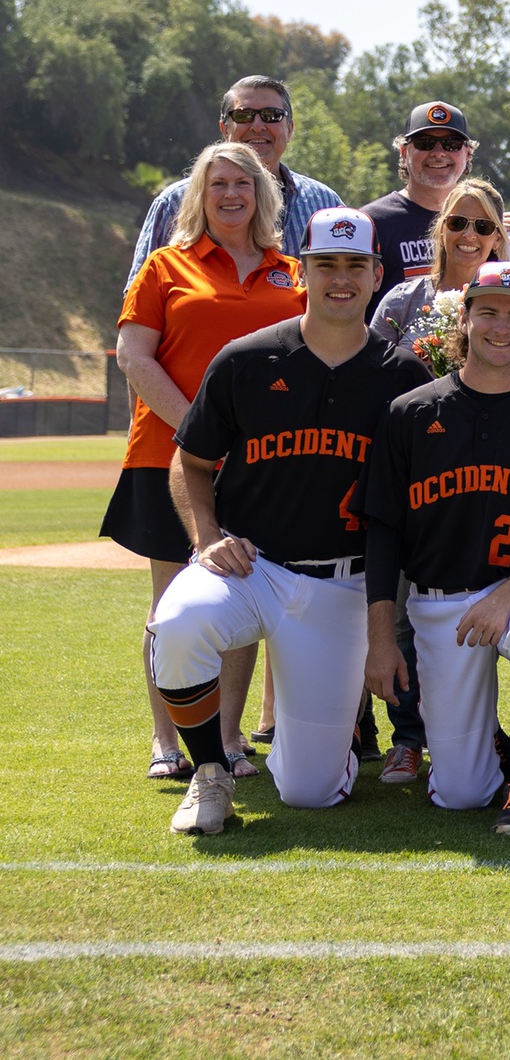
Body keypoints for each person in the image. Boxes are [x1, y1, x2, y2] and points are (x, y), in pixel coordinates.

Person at [150, 209, 430, 834]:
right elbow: (190, 462)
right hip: (253, 566)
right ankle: (209, 773)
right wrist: (207, 538)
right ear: (302, 272)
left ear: (377, 273)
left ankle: (313, 749)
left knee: (309, 791)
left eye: (354, 265)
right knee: (174, 622)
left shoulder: (405, 377)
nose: (340, 278)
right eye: (325, 264)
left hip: (345, 586)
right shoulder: (246, 359)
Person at [361, 262, 510, 835]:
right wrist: (379, 638)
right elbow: (383, 531)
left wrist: (507, 595)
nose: (501, 326)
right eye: (488, 310)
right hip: (439, 601)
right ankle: (485, 741)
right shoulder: (412, 414)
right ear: (463, 319)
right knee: (461, 795)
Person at [108, 141, 307, 781]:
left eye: (243, 184)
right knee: (172, 604)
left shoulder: (292, 272)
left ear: (262, 195)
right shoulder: (165, 267)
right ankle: (168, 741)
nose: (230, 194)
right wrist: (201, 429)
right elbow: (133, 357)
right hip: (166, 454)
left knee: (242, 594)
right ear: (200, 194)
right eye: (218, 183)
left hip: (260, 465)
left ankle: (226, 740)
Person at [126, 76, 343, 286]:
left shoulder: (325, 205)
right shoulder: (174, 202)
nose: (257, 126)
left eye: (272, 115)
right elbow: (139, 298)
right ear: (224, 129)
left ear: (290, 129)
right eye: (243, 115)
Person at [371, 177, 510, 353]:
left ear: (497, 239)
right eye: (457, 223)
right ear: (442, 230)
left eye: (483, 226)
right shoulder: (401, 300)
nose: (469, 235)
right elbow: (371, 371)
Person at [360, 102, 478, 308]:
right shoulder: (371, 223)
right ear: (404, 152)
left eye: (452, 144)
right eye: (425, 143)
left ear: (467, 153)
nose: (439, 152)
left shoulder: (485, 226)